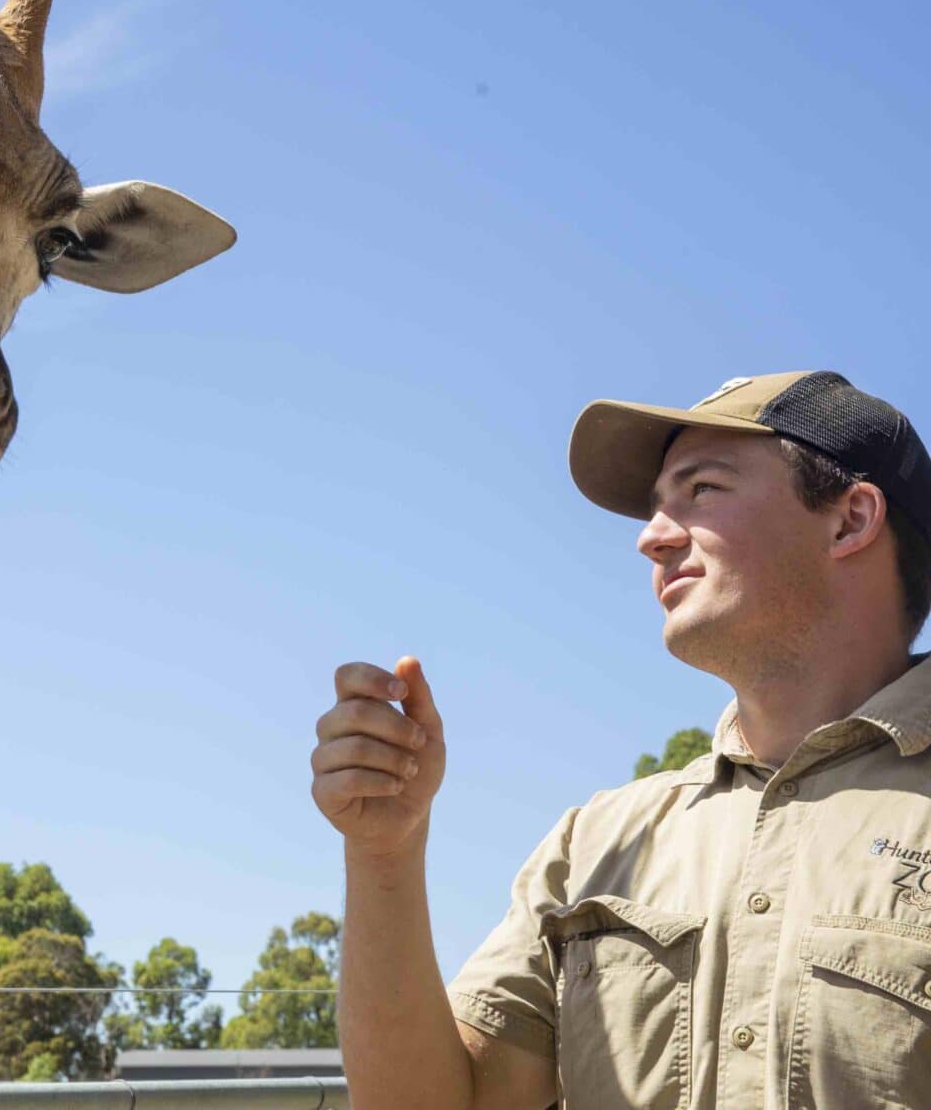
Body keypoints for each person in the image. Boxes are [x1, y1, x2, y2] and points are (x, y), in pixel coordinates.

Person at [309, 371, 931, 1109]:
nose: (651, 538)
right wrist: (385, 853)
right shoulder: (596, 842)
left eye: (702, 490)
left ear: (849, 520)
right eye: (656, 507)